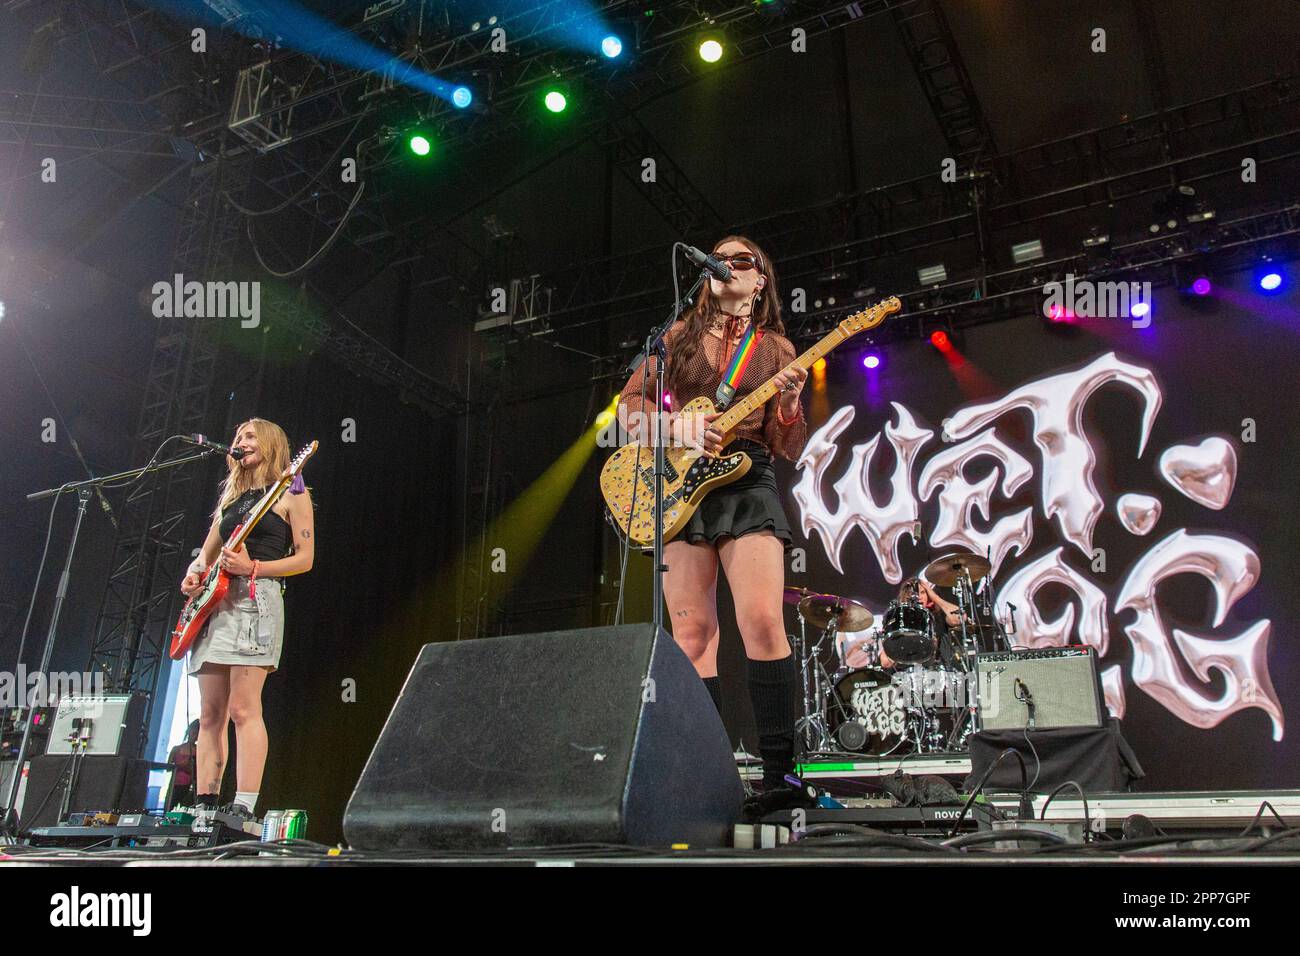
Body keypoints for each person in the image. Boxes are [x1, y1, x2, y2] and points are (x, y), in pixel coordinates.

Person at [618, 235, 808, 805]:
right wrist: (678, 429)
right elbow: (629, 411)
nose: (728, 265)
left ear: (760, 280)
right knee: (693, 634)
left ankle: (780, 778)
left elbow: (787, 442)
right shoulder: (675, 339)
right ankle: (708, 779)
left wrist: (790, 405)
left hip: (747, 481)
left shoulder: (776, 349)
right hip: (683, 486)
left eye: (742, 259)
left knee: (762, 622)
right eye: (719, 258)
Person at [179, 418, 314, 820]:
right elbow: (205, 554)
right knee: (210, 714)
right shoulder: (231, 499)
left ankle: (243, 807)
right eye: (238, 437)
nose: (241, 441)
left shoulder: (292, 492)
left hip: (257, 601)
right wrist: (194, 571)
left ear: (271, 444)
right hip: (214, 605)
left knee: (243, 709)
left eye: (250, 436)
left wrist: (253, 566)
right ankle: (204, 807)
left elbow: (305, 560)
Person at [166, 719, 199, 810]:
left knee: (186, 810)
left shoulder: (198, 751)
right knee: (169, 807)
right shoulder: (176, 749)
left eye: (197, 733)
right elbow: (168, 767)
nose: (194, 736)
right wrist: (180, 765)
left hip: (189, 786)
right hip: (174, 785)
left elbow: (197, 772)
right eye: (193, 732)